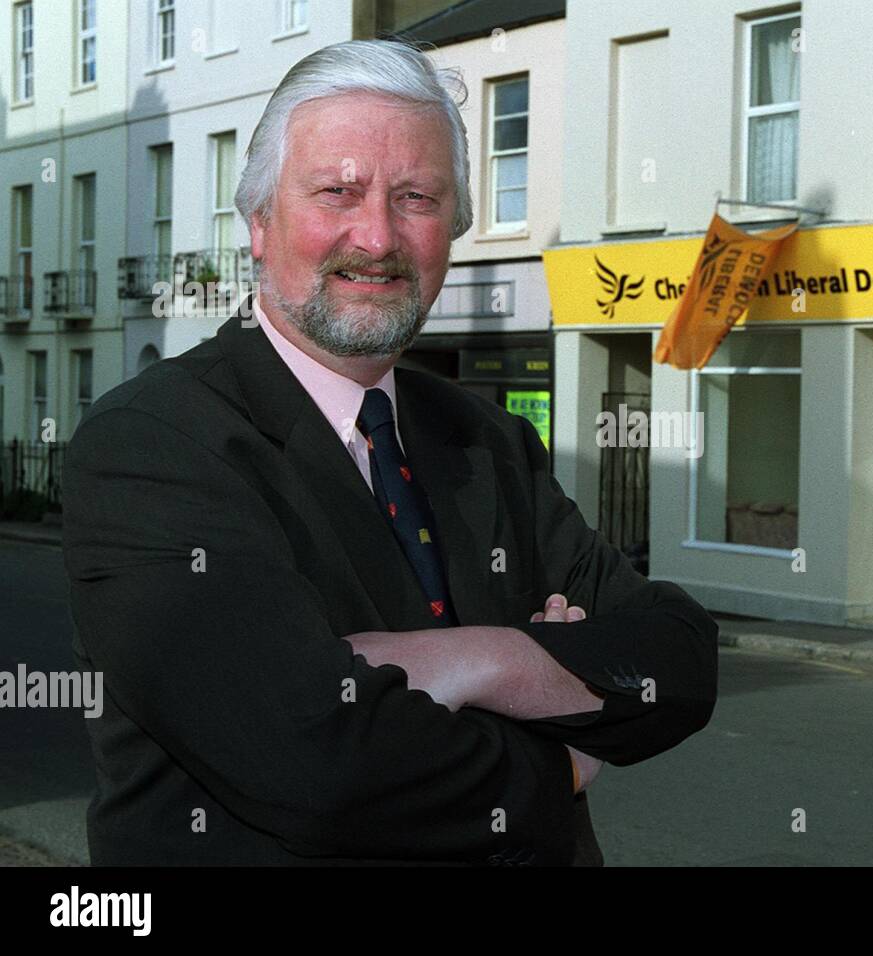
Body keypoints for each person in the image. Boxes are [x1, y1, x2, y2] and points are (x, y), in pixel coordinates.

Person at [61, 39, 718, 866]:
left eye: (416, 197)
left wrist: (482, 658)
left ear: (454, 230)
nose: (376, 237)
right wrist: (564, 754)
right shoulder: (152, 444)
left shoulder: (488, 441)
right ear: (259, 223)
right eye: (337, 191)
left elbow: (682, 661)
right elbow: (315, 761)